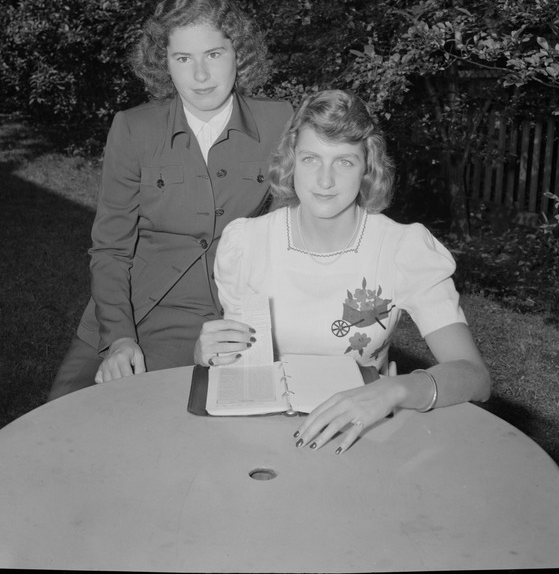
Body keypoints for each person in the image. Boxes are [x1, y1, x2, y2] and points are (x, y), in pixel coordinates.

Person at [194, 89, 491, 453]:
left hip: (361, 439)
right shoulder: (246, 243)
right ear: (291, 160)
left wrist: (395, 390)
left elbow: (474, 376)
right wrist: (206, 352)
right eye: (310, 159)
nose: (325, 180)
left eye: (345, 162)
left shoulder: (402, 248)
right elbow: (235, 362)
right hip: (260, 440)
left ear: (368, 167)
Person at [48, 0, 293, 400]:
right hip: (133, 310)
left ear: (239, 55)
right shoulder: (133, 128)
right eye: (183, 58)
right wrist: (120, 339)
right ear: (164, 62)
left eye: (213, 54)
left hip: (224, 317)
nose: (200, 75)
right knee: (60, 419)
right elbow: (110, 249)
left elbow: (291, 234)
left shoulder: (278, 121)